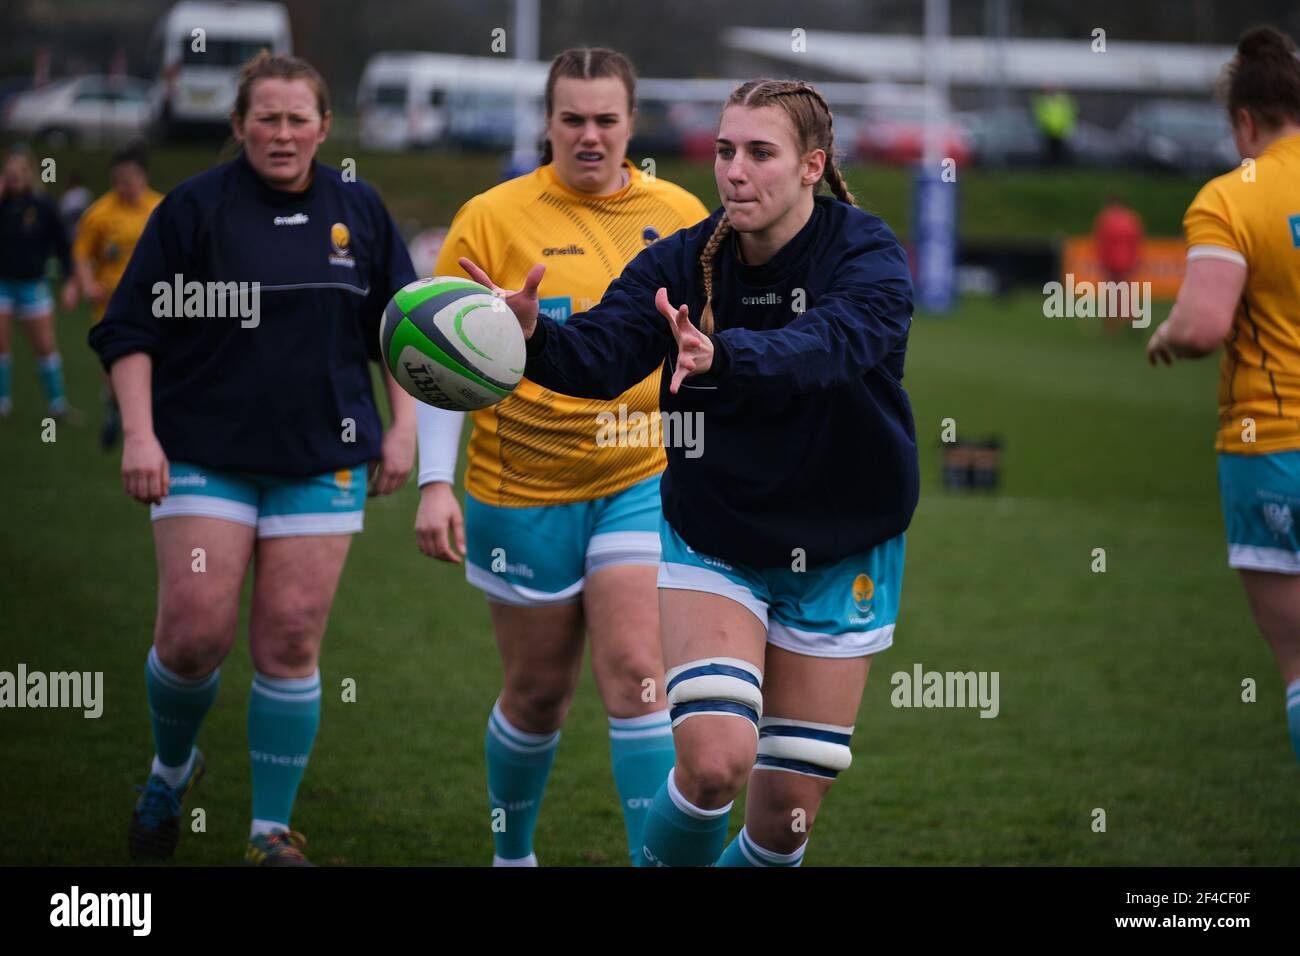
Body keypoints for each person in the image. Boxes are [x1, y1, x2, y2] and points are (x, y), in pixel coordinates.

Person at [463, 77, 917, 866]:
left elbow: (833, 343)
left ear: (812, 166)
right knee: (712, 765)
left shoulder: (867, 252)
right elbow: (602, 355)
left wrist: (728, 353)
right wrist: (526, 339)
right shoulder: (683, 260)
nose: (735, 171)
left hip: (845, 545)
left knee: (782, 828)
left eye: (760, 154)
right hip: (717, 534)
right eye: (725, 151)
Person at [88, 51, 419, 865]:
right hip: (204, 451)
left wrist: (403, 426)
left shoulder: (360, 210)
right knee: (196, 634)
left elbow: (402, 330)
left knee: (292, 639)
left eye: (297, 117)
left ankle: (269, 833)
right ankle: (171, 771)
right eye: (265, 118)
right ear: (237, 126)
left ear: (323, 126)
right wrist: (140, 434)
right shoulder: (192, 211)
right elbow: (128, 330)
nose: (281, 132)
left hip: (323, 456)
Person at [415, 47, 709, 867]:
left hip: (638, 474)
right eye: (572, 119)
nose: (589, 136)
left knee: (638, 673)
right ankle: (514, 856)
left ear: (631, 123)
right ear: (546, 122)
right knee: (539, 693)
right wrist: (435, 482)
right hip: (520, 487)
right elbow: (432, 360)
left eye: (606, 119)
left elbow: (708, 341)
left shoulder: (681, 211)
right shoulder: (491, 216)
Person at [1147, 25, 1300, 765]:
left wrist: (1165, 334)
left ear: (1244, 120)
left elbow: (1204, 324)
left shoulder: (1233, 195)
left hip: (1271, 446)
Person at [65, 143, 163, 448]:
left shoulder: (161, 207)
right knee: (115, 363)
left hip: (155, 300)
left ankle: (147, 417)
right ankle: (115, 409)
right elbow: (81, 253)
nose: (125, 184)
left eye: (130, 176)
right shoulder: (98, 214)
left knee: (157, 361)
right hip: (112, 303)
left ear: (143, 176)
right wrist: (87, 283)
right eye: (118, 177)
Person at [0, 147, 75, 420]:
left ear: (30, 173)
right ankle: (3, 403)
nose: (14, 177)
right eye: (9, 172)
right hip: (2, 283)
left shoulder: (42, 205)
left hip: (33, 283)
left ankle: (57, 405)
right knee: (1, 343)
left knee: (44, 344)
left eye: (19, 172)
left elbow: (63, 244)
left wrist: (69, 280)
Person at [1092, 194, 1144, 334]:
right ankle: (1132, 319)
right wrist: (1136, 259)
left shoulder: (1105, 219)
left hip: (1112, 260)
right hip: (1127, 260)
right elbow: (1137, 241)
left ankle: (1111, 323)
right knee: (1125, 291)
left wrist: (1102, 261)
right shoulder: (1131, 218)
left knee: (1111, 292)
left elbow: (1101, 241)